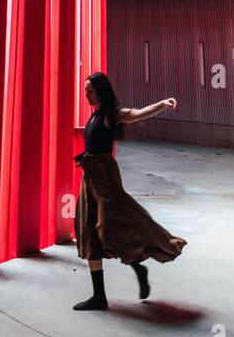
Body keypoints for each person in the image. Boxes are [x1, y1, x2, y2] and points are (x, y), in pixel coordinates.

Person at [72, 71, 186, 311]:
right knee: (88, 231)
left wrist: (162, 104)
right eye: (85, 92)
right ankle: (99, 297)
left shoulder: (113, 114)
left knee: (107, 230)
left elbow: (137, 114)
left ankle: (138, 267)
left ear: (101, 91)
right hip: (89, 176)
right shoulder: (94, 116)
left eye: (90, 91)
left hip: (104, 178)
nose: (87, 95)